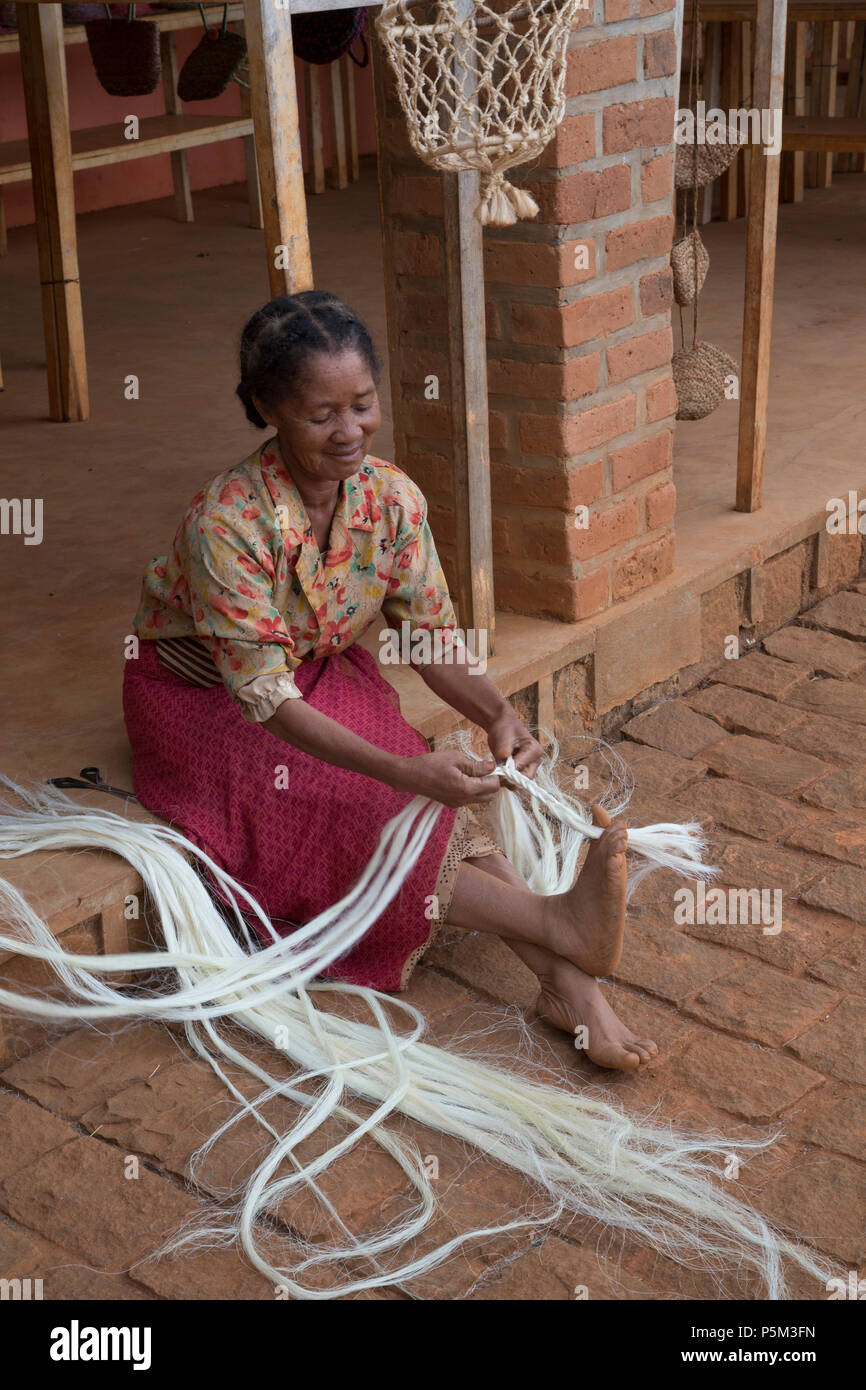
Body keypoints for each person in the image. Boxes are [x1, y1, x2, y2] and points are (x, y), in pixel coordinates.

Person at [124, 291, 657, 1070]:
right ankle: (560, 939)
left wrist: (498, 712)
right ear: (268, 409)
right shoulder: (227, 524)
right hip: (208, 703)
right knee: (360, 800)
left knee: (429, 794)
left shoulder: (392, 499)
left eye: (363, 404)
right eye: (321, 414)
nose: (350, 432)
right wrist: (403, 768)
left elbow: (428, 633)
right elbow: (265, 696)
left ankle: (571, 985)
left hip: (318, 674)